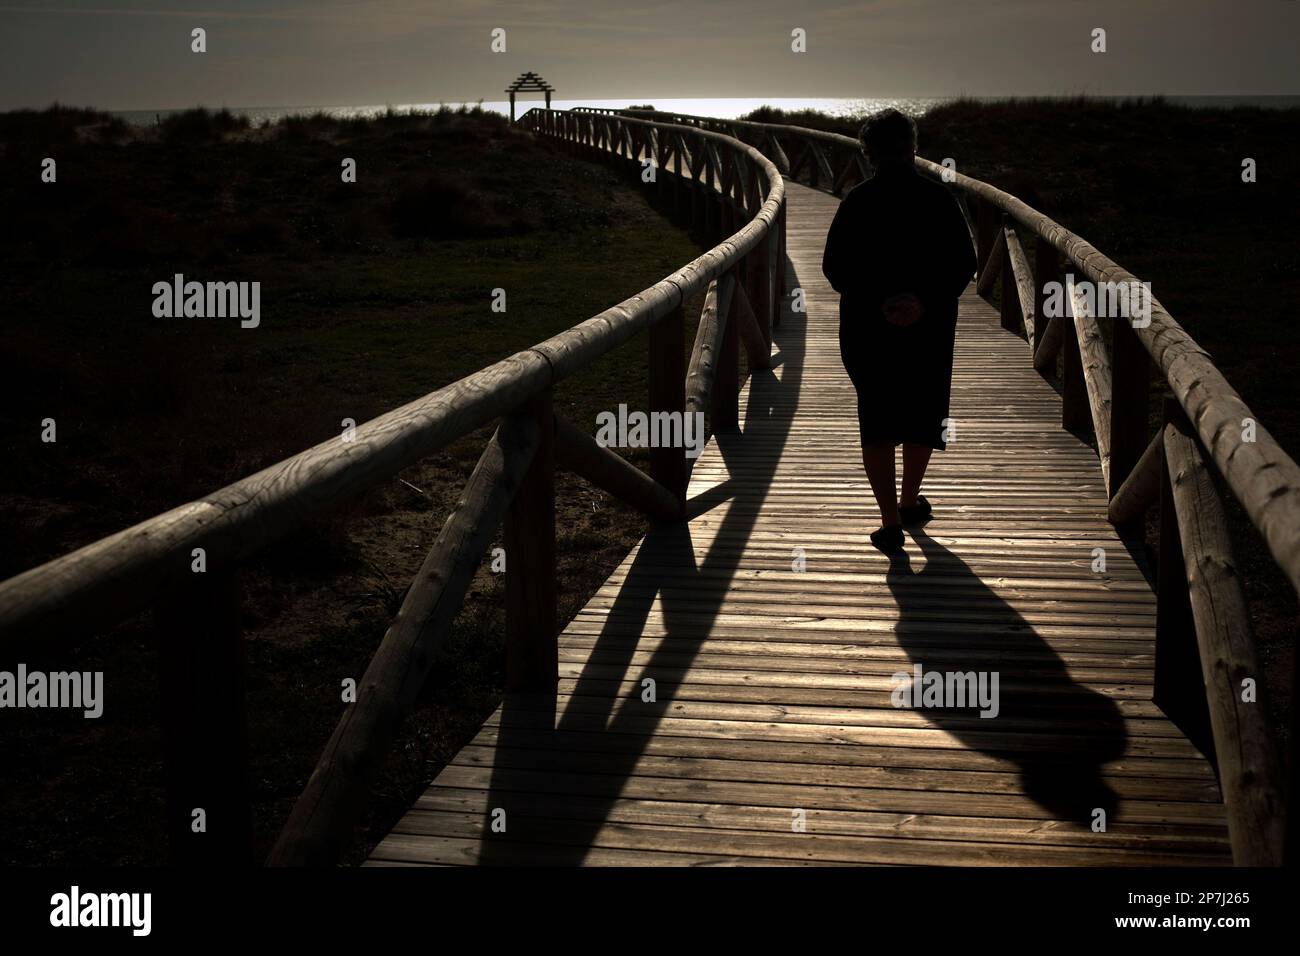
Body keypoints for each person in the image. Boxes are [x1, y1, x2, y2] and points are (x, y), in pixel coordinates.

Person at [821, 109, 976, 552]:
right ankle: (909, 501)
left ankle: (889, 522)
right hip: (929, 328)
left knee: (877, 420)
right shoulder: (938, 199)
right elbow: (964, 263)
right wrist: (921, 301)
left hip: (869, 330)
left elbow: (835, 267)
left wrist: (881, 303)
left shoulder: (857, 201)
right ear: (913, 148)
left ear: (868, 153)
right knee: (922, 415)